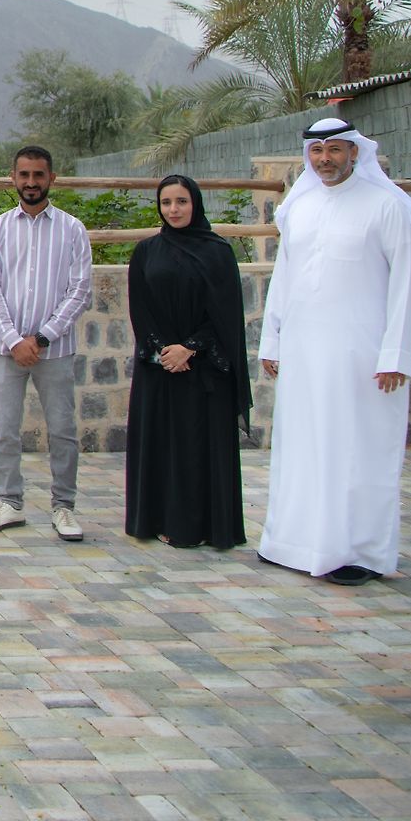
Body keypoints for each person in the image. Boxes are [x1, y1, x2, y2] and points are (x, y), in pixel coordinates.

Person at [257, 117, 411, 586]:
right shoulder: (300, 207)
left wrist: (395, 355)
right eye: (316, 151)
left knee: (357, 450)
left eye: (334, 149)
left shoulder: (388, 206)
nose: (325, 159)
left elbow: (407, 286)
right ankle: (290, 542)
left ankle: (357, 553)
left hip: (362, 358)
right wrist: (273, 340)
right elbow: (284, 278)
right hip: (304, 352)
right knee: (302, 447)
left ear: (354, 152)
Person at [124, 174, 249, 551]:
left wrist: (190, 348)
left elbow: (227, 315)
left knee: (198, 448)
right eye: (166, 203)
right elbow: (140, 310)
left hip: (205, 370)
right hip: (159, 369)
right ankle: (161, 519)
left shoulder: (218, 252)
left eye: (181, 202)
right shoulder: (147, 251)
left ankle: (203, 525)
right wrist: (165, 350)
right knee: (162, 446)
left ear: (195, 204)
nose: (173, 210)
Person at [0, 146, 94, 541]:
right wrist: (13, 340)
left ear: (51, 179)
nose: (30, 182)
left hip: (53, 350)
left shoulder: (72, 229)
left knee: (62, 430)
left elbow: (80, 290)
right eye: (23, 175)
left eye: (38, 175)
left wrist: (41, 338)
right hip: (6, 349)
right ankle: (9, 502)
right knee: (5, 429)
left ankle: (64, 507)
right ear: (13, 177)